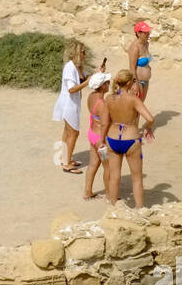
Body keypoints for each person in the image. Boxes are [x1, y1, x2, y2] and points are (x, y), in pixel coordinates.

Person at [103, 68, 155, 207]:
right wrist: (146, 128)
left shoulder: (109, 98)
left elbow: (105, 121)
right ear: (128, 83)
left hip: (113, 138)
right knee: (137, 178)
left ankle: (113, 210)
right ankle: (140, 210)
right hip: (131, 139)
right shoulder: (133, 99)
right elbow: (150, 118)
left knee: (114, 176)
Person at [52, 41, 100, 174]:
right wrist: (86, 82)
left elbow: (85, 79)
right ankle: (66, 164)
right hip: (69, 103)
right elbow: (72, 89)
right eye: (83, 52)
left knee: (68, 131)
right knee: (73, 132)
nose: (85, 54)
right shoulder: (69, 67)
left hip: (73, 103)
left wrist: (97, 74)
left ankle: (63, 157)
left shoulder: (78, 67)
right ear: (75, 53)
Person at [83, 72, 112, 200]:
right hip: (101, 139)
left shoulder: (91, 96)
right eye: (107, 82)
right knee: (108, 167)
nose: (109, 84)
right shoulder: (102, 104)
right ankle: (110, 195)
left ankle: (87, 192)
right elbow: (105, 124)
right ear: (102, 86)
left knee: (93, 164)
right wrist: (102, 142)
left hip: (92, 134)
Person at [127, 21, 153, 99]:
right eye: (145, 32)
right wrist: (135, 84)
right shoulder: (135, 48)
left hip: (146, 80)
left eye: (148, 32)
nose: (148, 34)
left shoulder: (146, 44)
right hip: (138, 81)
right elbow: (132, 67)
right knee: (136, 106)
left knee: (141, 103)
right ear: (138, 33)